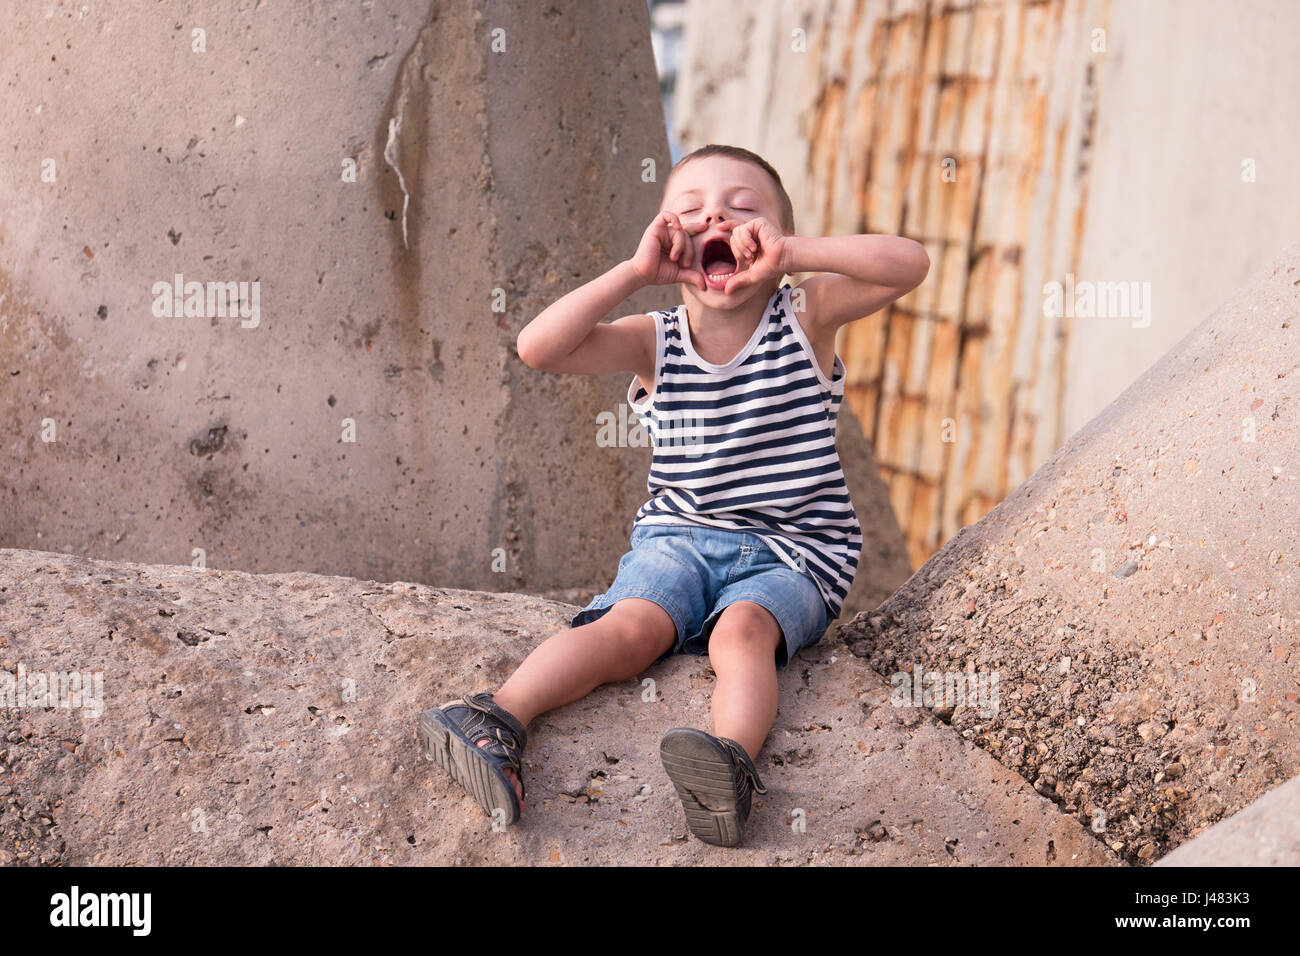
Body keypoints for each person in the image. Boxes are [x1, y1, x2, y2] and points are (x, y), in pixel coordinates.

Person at [418, 144, 929, 847]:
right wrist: (632, 274)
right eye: (689, 210)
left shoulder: (806, 315)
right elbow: (539, 348)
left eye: (745, 207)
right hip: (678, 538)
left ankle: (730, 768)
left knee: (740, 634)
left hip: (795, 551)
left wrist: (793, 253)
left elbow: (910, 264)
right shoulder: (654, 341)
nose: (716, 213)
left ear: (774, 234)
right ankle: (496, 719)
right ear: (666, 236)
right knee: (629, 630)